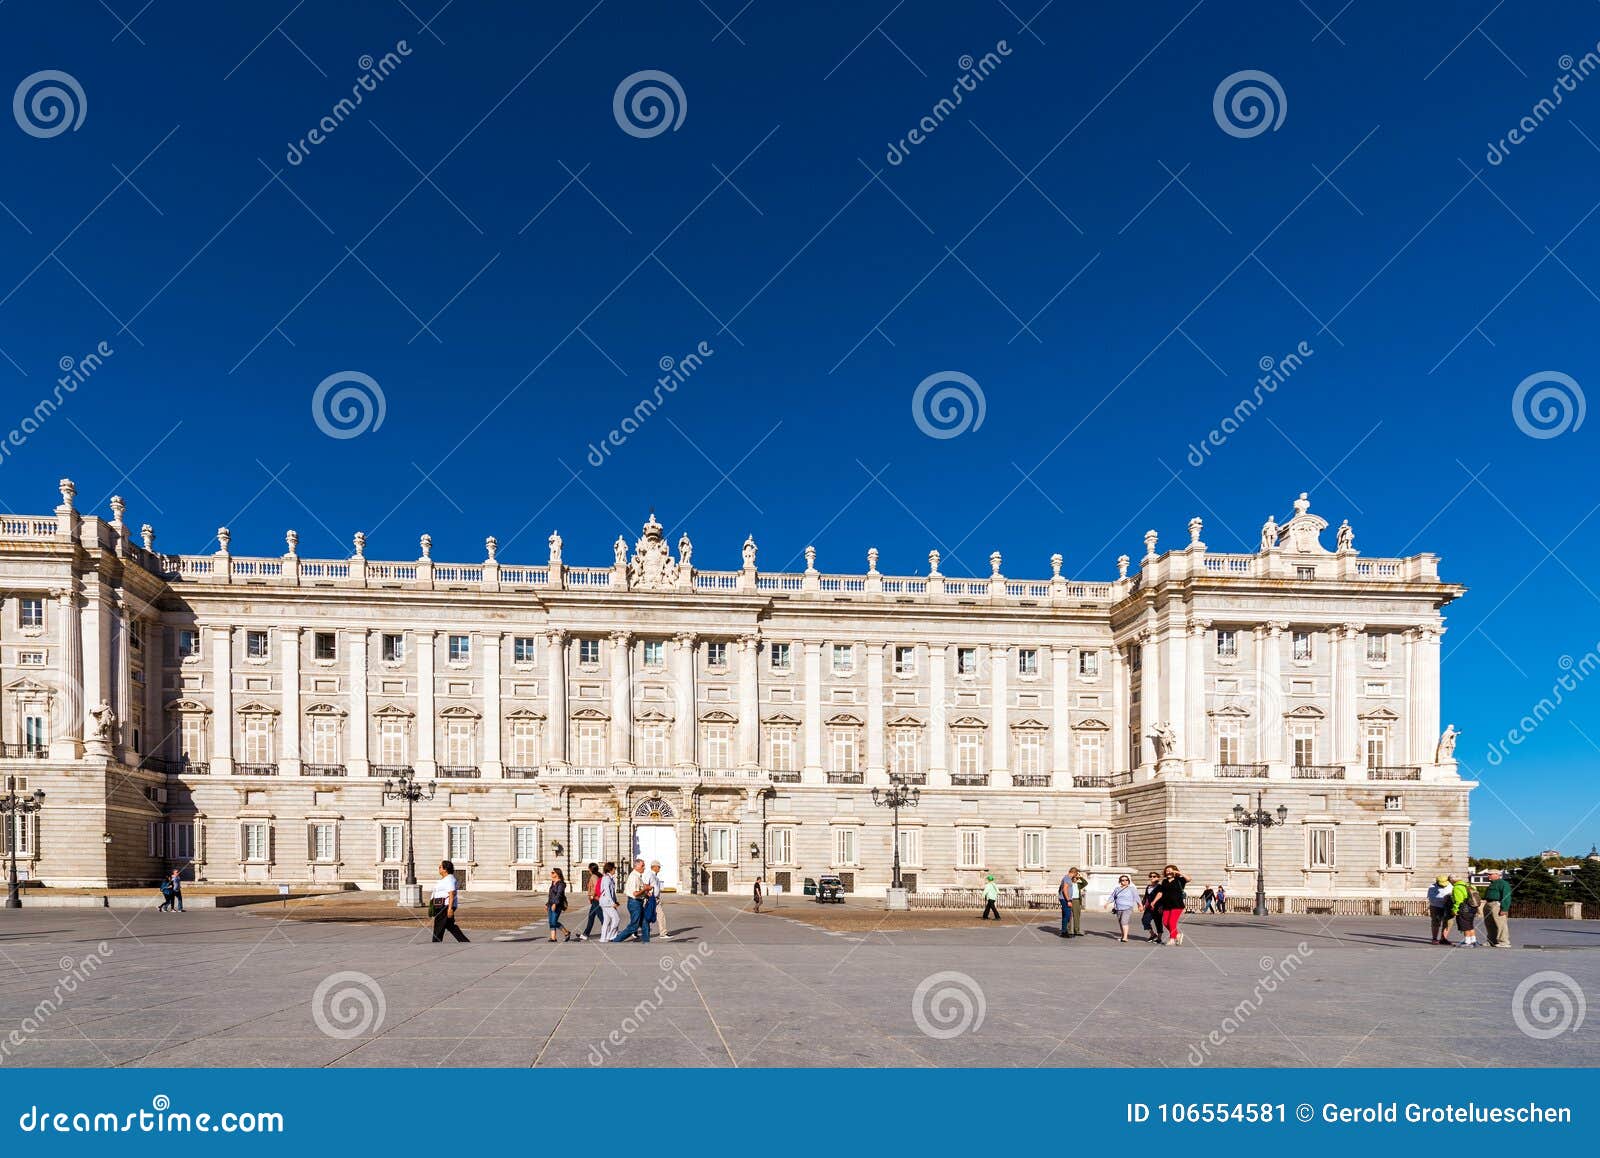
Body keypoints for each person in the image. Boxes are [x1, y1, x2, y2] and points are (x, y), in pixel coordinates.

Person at [611, 858, 652, 943]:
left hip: (638, 902)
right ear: (636, 866)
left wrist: (645, 893)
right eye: (642, 866)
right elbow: (635, 893)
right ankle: (616, 940)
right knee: (634, 925)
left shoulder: (637, 876)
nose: (644, 867)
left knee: (645, 923)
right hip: (634, 903)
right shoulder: (634, 877)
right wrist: (645, 889)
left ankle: (646, 942)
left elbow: (639, 890)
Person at [430, 859, 469, 943]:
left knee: (439, 925)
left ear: (445, 869)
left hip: (445, 905)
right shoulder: (444, 879)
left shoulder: (450, 879)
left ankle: (435, 943)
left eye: (440, 867)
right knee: (450, 925)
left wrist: (450, 908)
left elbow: (451, 893)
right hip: (440, 905)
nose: (439, 868)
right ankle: (464, 941)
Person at [1152, 864, 1188, 946]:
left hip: (1177, 905)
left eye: (1170, 870)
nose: (1168, 872)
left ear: (1174, 871)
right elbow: (1161, 893)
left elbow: (1189, 879)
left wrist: (1178, 872)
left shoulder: (1180, 880)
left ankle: (1172, 939)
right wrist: (1154, 901)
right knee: (1165, 922)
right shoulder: (1164, 881)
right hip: (1166, 905)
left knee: (1172, 922)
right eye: (1166, 871)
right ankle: (1177, 935)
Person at [1482, 869, 1513, 949]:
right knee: (1489, 924)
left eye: (1490, 874)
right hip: (1488, 904)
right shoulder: (1492, 883)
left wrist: (1504, 908)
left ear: (1497, 875)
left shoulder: (1503, 883)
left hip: (1496, 904)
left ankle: (1504, 942)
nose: (1488, 876)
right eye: (1488, 874)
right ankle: (1492, 941)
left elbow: (1506, 896)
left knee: (1501, 924)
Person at [1450, 874, 1480, 947]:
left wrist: (1455, 909)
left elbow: (1458, 900)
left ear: (1452, 880)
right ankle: (1473, 940)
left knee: (1465, 925)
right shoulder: (1468, 885)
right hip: (1472, 907)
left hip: (1464, 908)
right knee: (1470, 924)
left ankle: (1467, 942)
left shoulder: (1457, 887)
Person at [1108, 874, 1140, 942]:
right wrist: (1107, 903)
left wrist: (1140, 905)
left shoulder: (1132, 889)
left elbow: (1136, 897)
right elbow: (1112, 896)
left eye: (1126, 880)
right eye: (1123, 880)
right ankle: (1123, 936)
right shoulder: (1117, 889)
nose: (1125, 881)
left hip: (1128, 908)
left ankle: (1125, 938)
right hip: (1118, 908)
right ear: (1120, 881)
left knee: (1124, 921)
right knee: (1121, 923)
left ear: (1128, 881)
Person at [577, 861, 603, 941]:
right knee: (591, 916)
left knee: (601, 917)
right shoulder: (598, 875)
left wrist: (592, 896)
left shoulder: (594, 876)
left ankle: (609, 932)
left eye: (589, 868)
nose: (588, 870)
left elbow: (596, 887)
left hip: (595, 899)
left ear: (591, 869)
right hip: (596, 899)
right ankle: (585, 934)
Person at [598, 861, 621, 942]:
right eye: (614, 868)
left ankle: (603, 938)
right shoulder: (606, 878)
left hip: (606, 902)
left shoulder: (609, 878)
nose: (615, 869)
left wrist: (615, 901)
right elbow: (607, 892)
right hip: (607, 903)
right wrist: (612, 903)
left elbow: (612, 892)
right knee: (616, 919)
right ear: (610, 869)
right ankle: (610, 936)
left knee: (606, 921)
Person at [647, 859, 671, 940]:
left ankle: (663, 933)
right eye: (659, 867)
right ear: (654, 867)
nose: (659, 868)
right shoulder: (649, 875)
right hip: (650, 899)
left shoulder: (656, 876)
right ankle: (634, 930)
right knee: (646, 916)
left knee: (661, 915)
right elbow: (645, 885)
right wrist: (647, 894)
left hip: (656, 899)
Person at [1427, 875, 1454, 944]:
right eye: (1442, 885)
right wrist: (1444, 899)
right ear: (1437, 882)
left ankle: (1443, 938)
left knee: (1448, 923)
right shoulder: (1432, 887)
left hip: (1448, 907)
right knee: (1436, 922)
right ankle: (1434, 939)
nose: (1443, 886)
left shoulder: (1450, 886)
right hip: (1436, 907)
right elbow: (1431, 898)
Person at [547, 867, 571, 942]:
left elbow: (559, 894)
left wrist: (555, 904)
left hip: (557, 905)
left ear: (557, 874)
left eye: (553, 872)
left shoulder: (561, 884)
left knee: (554, 921)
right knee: (551, 921)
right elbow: (551, 895)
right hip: (550, 904)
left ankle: (566, 932)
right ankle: (553, 937)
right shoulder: (553, 882)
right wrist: (547, 904)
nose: (551, 874)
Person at [1141, 871, 1162, 942]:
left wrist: (1161, 906)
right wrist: (1142, 905)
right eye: (1151, 876)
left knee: (1158, 922)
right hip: (1149, 907)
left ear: (1158, 878)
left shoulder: (1160, 887)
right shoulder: (1148, 887)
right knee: (1145, 920)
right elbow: (1145, 897)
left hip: (1158, 907)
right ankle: (1152, 934)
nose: (1152, 878)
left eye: (1154, 876)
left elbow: (1162, 896)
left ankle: (1159, 938)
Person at [1058, 868, 1076, 937]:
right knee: (1067, 915)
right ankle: (1064, 932)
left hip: (1063, 899)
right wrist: (1068, 900)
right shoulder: (1067, 878)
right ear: (1074, 873)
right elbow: (1064, 890)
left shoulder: (1066, 878)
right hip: (1065, 899)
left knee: (1065, 915)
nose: (1075, 876)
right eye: (1076, 874)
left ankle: (1064, 931)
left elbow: (1061, 889)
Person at [1070, 869, 1089, 935]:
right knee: (1069, 916)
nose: (1075, 879)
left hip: (1077, 901)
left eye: (1076, 878)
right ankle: (1068, 930)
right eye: (1074, 878)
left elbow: (1085, 883)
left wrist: (1080, 877)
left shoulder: (1078, 885)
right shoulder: (1069, 884)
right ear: (1072, 879)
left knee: (1077, 916)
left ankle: (1076, 930)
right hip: (1070, 900)